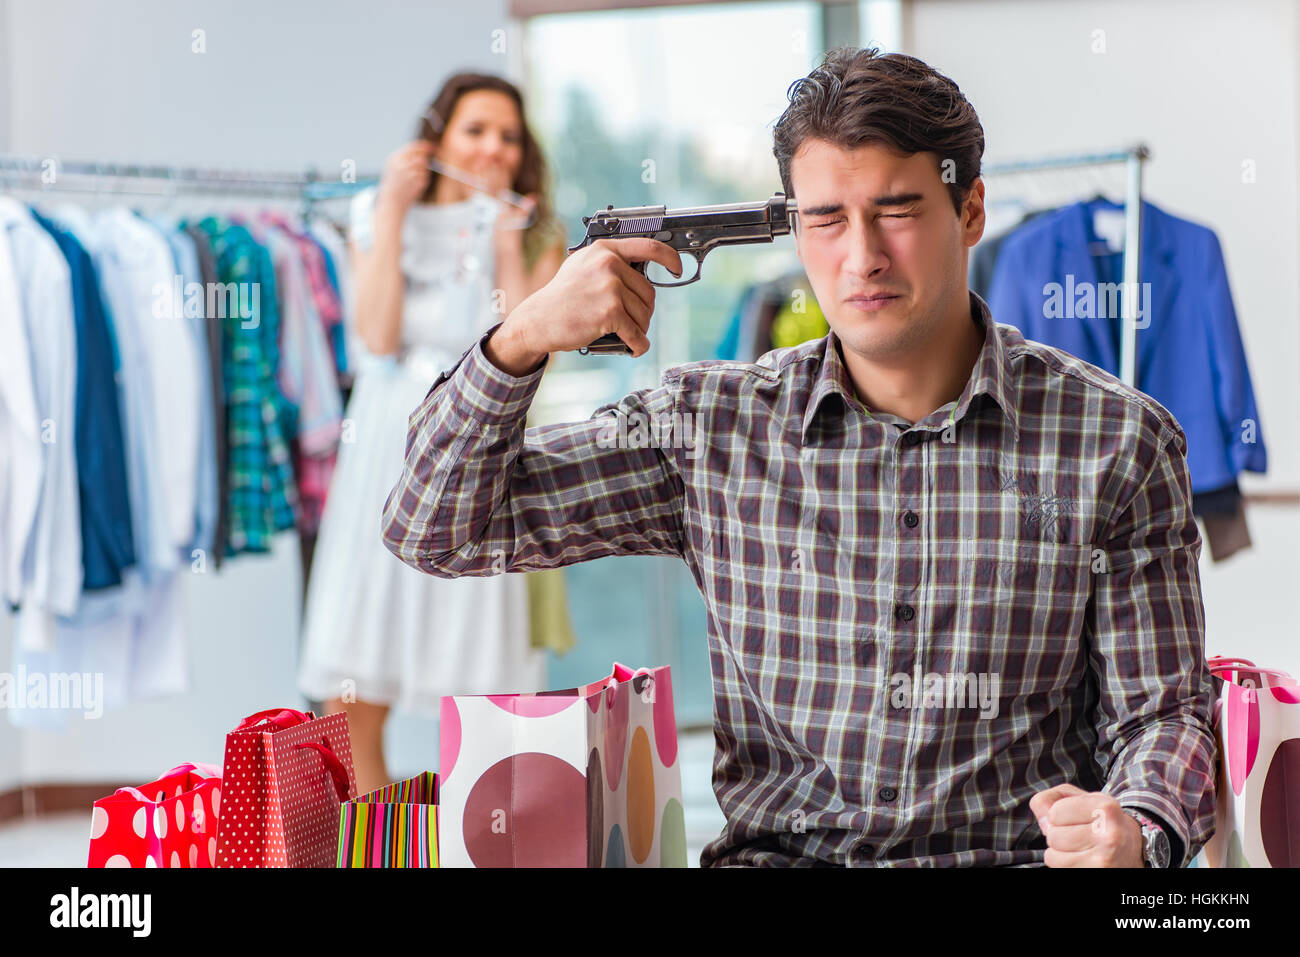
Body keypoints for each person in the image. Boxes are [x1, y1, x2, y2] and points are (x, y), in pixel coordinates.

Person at [378, 47, 1217, 867]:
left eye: (896, 209)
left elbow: (1164, 714)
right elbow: (434, 529)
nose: (862, 257)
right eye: (825, 218)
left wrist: (1135, 833)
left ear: (969, 211)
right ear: (794, 224)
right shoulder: (709, 430)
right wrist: (520, 337)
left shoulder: (1116, 440)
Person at [297, 72, 570, 796]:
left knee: (482, 672)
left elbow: (520, 335)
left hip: (477, 441)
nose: (494, 149)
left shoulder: (541, 232)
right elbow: (378, 337)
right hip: (386, 447)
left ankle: (479, 836)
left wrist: (505, 241)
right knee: (356, 676)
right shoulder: (375, 213)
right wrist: (389, 211)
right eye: (476, 131)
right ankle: (379, 838)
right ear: (438, 137)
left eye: (509, 137)